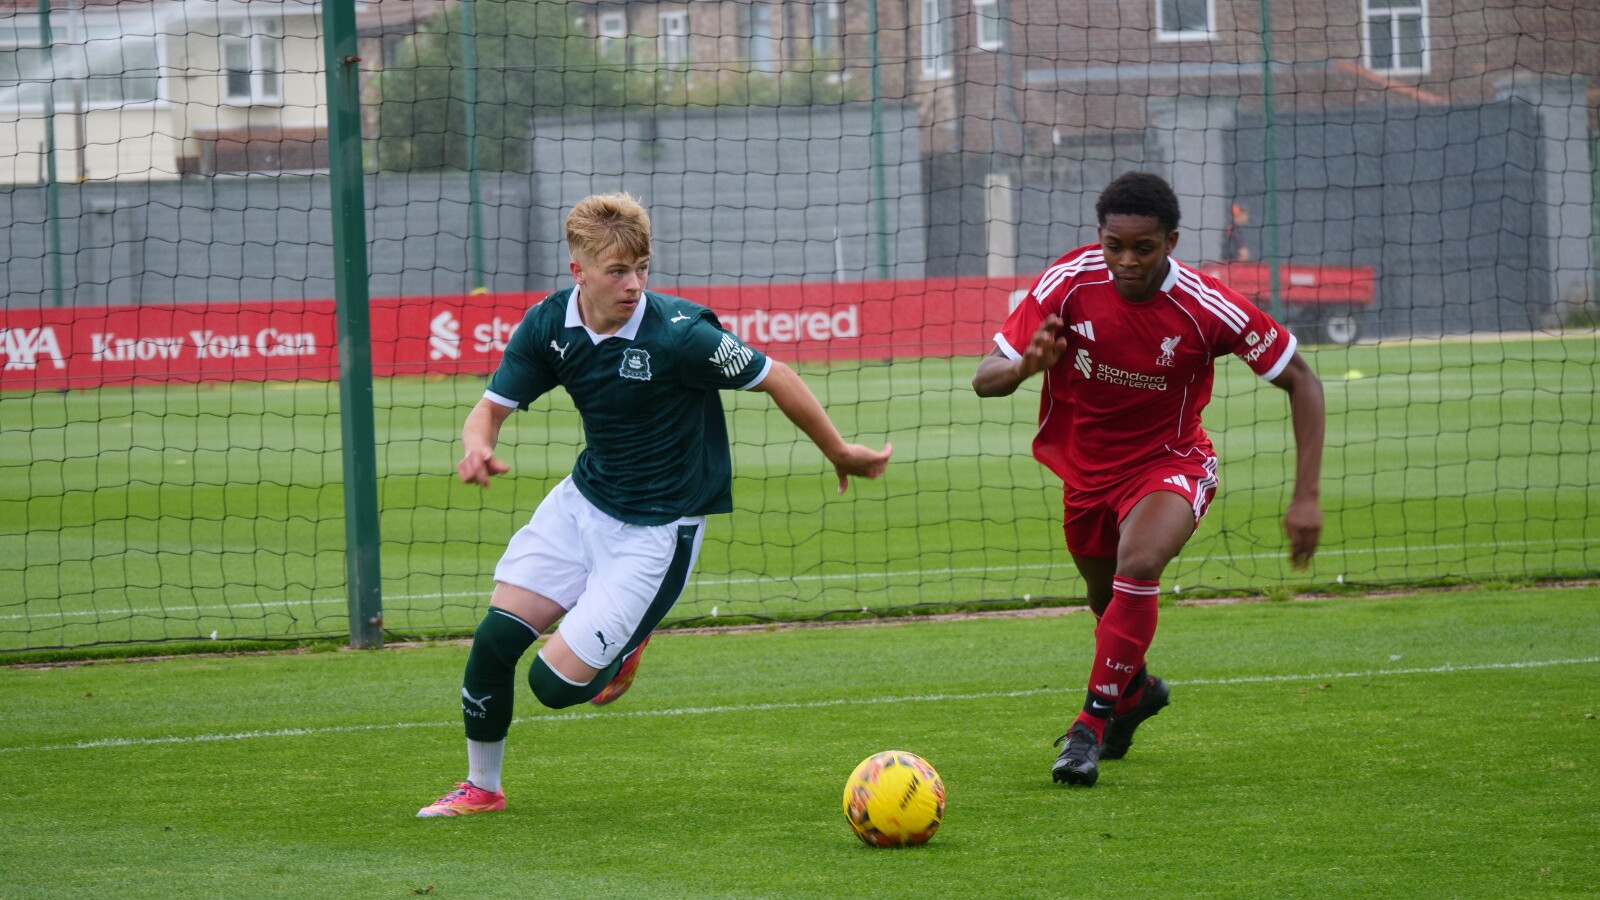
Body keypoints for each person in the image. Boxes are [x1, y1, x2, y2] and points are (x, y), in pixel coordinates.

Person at [419, 192, 892, 816]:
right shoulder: (548, 325)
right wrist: (477, 447)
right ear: (578, 271)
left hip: (657, 531)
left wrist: (838, 450)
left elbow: (775, 375)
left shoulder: (681, 335)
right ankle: (482, 788)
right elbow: (488, 411)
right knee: (493, 642)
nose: (634, 284)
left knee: (551, 686)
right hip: (583, 504)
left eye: (641, 268)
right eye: (617, 271)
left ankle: (627, 639)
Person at [972, 171, 1323, 787]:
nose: (1127, 261)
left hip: (1172, 461)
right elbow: (985, 378)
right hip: (1087, 473)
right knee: (1105, 603)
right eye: (1115, 245)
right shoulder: (1069, 282)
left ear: (1171, 242)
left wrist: (1306, 497)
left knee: (1137, 566)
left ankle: (1087, 730)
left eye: (1144, 248)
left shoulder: (1205, 304)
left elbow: (1303, 380)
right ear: (1099, 237)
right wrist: (1028, 365)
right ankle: (1133, 694)